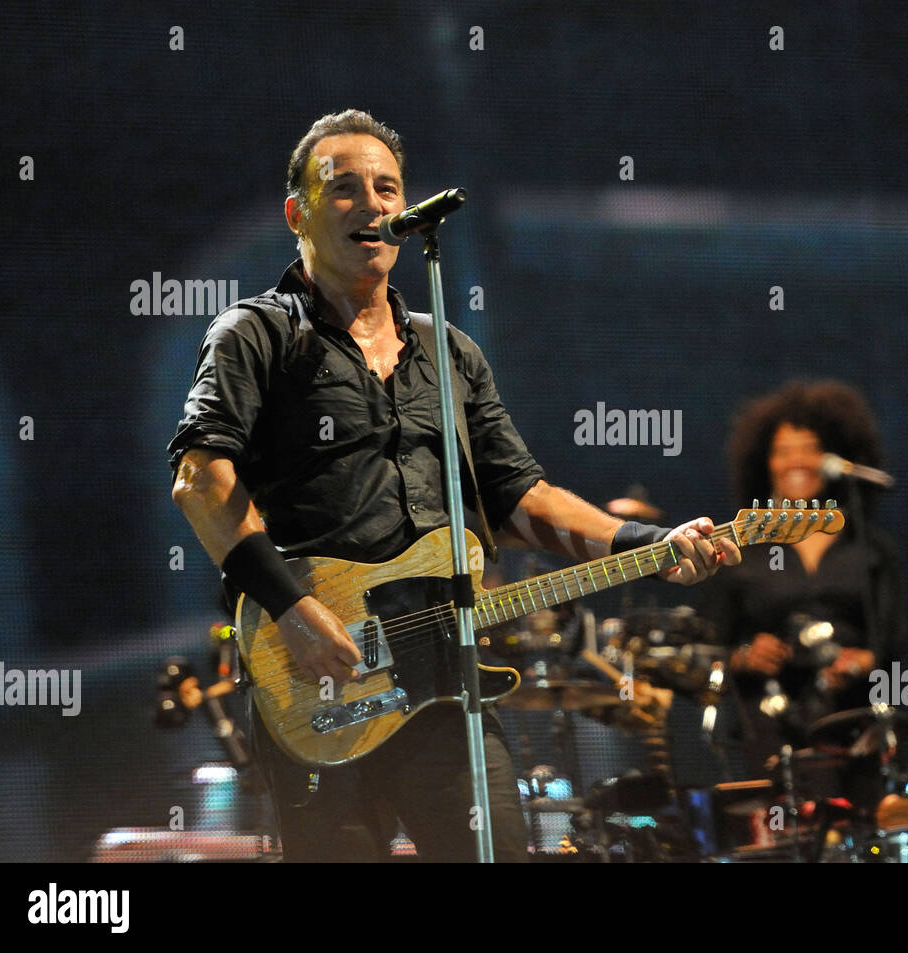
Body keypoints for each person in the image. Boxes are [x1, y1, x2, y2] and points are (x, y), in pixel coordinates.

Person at [166, 109, 741, 861]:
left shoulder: (450, 352)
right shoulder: (255, 334)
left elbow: (519, 498)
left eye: (387, 187)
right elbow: (200, 481)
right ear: (296, 213)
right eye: (343, 189)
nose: (371, 204)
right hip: (316, 680)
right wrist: (296, 611)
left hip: (445, 681)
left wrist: (650, 543)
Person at [702, 380, 907, 779]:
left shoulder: (870, 548)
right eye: (783, 451)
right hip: (768, 727)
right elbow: (709, 649)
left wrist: (863, 661)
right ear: (765, 463)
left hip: (854, 724)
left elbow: (892, 642)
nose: (797, 461)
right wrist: (745, 657)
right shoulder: (739, 548)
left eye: (810, 449)